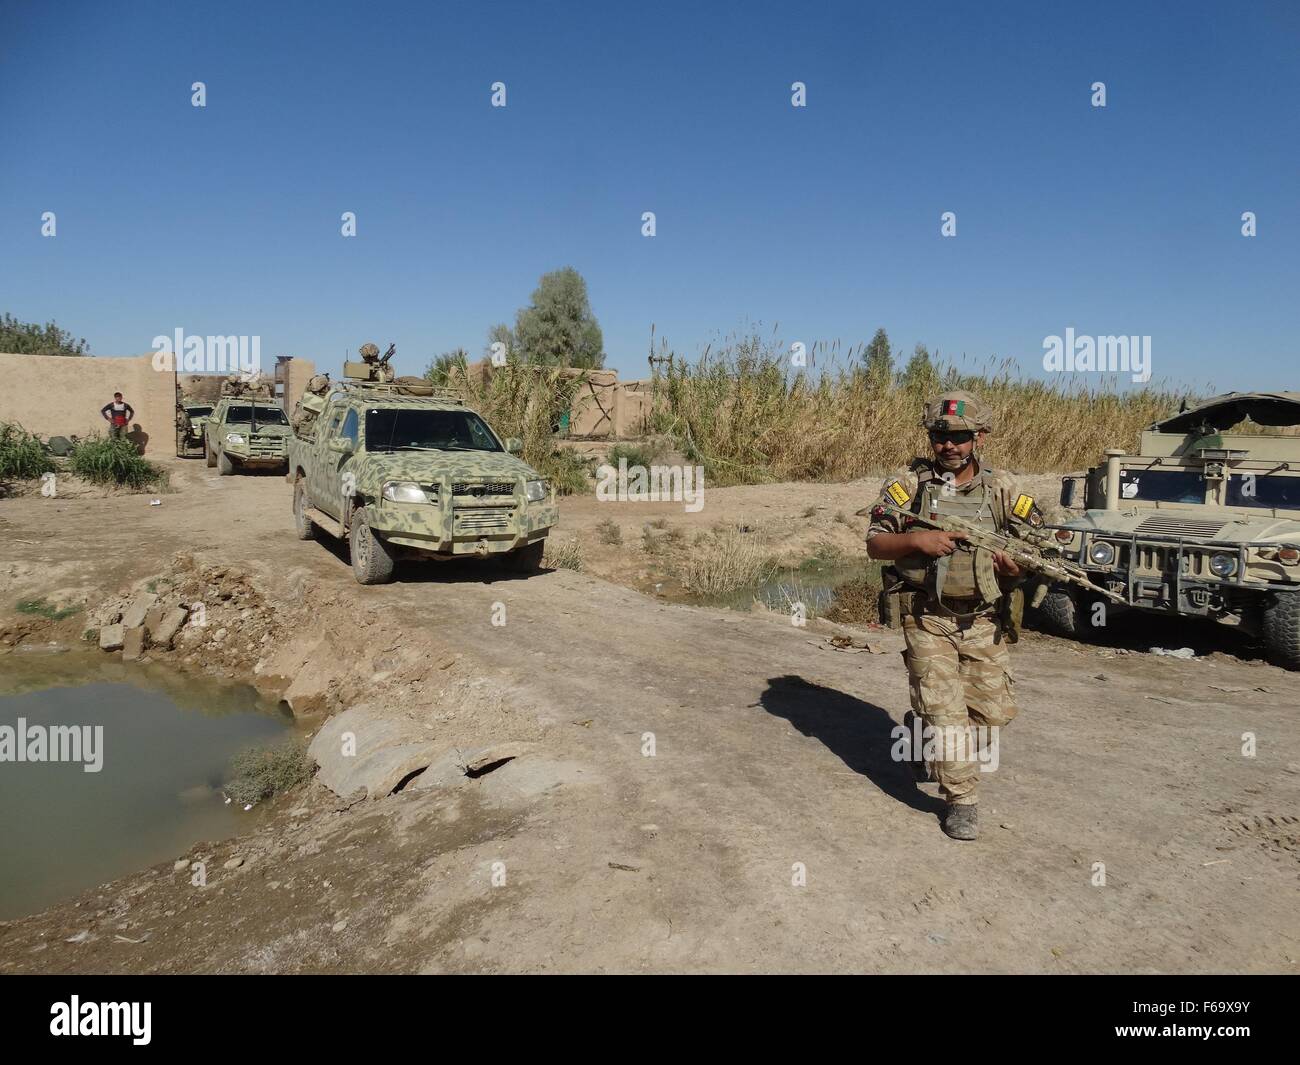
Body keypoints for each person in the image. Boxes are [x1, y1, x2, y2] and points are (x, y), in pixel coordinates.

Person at [863, 390, 1043, 841]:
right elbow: (874, 543)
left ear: (979, 437)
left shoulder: (1004, 490)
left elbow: (1037, 553)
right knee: (949, 718)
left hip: (984, 620)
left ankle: (921, 730)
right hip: (928, 618)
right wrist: (916, 543)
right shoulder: (909, 485)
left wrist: (1016, 566)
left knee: (990, 717)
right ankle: (961, 800)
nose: (949, 446)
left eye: (959, 437)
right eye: (940, 436)